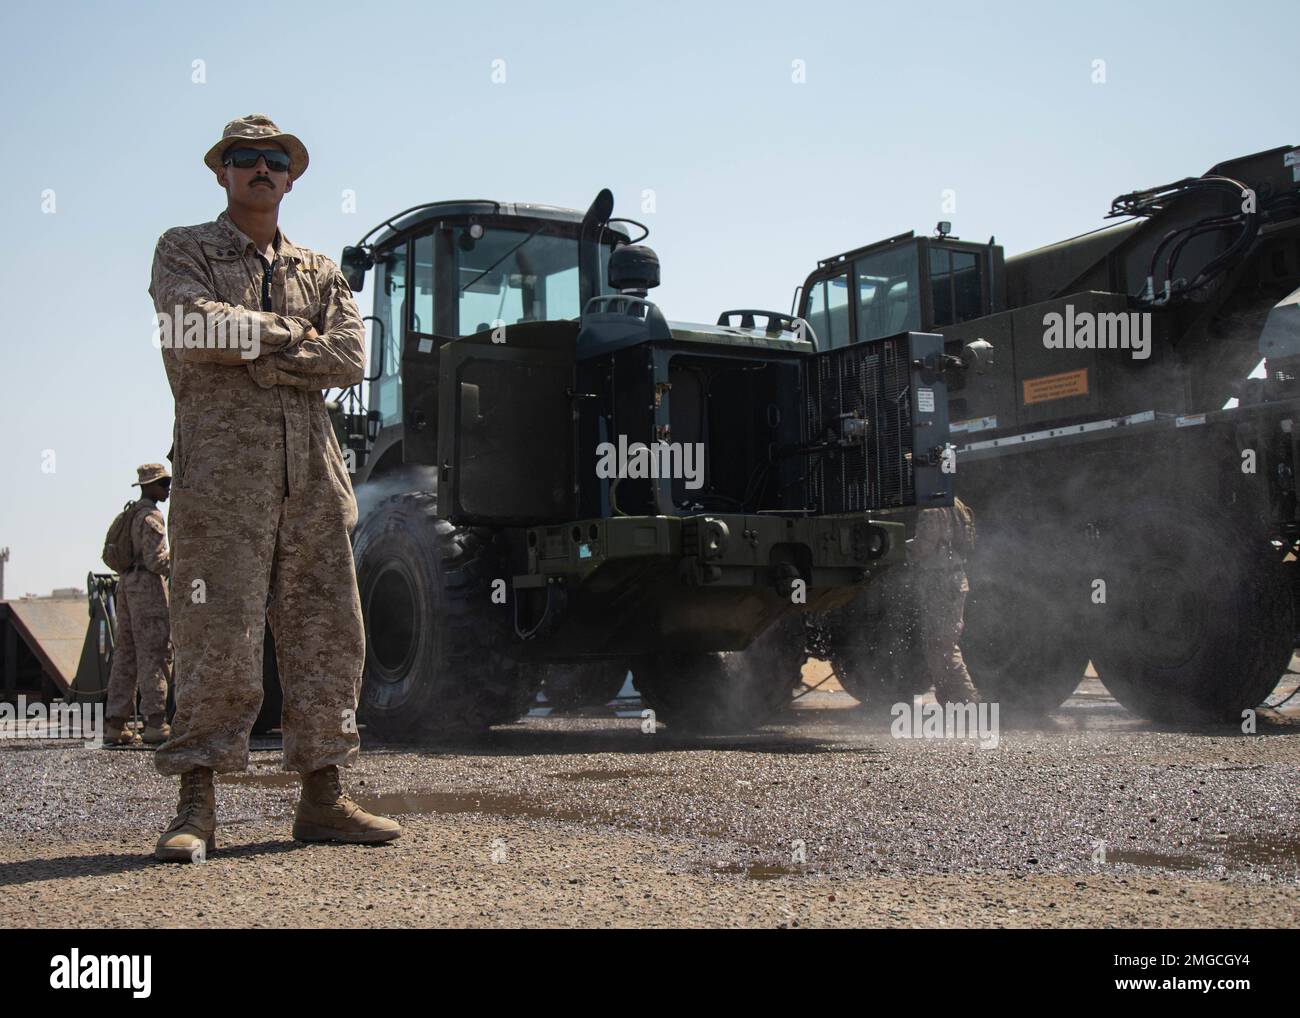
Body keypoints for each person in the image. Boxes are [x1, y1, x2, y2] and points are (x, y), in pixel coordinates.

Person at [149, 114, 400, 862]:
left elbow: (352, 355)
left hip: (313, 479)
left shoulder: (319, 270)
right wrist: (294, 339)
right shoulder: (185, 248)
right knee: (214, 636)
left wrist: (258, 347)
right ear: (222, 172)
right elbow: (190, 325)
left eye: (274, 159)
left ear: (291, 177)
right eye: (244, 158)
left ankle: (323, 797)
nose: (261, 168)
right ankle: (196, 802)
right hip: (222, 483)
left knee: (327, 633)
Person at [103, 464, 172, 747]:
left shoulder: (130, 514)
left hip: (126, 586)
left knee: (126, 656)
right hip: (147, 590)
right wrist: (185, 559)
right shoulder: (151, 517)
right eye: (163, 483)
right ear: (149, 486)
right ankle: (154, 724)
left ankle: (114, 726)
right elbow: (157, 561)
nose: (167, 488)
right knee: (154, 653)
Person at [911, 496, 981, 705]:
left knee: (941, 645)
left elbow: (923, 546)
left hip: (939, 581)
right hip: (955, 579)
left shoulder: (932, 508)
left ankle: (966, 700)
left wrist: (894, 549)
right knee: (944, 644)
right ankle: (954, 701)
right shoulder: (956, 502)